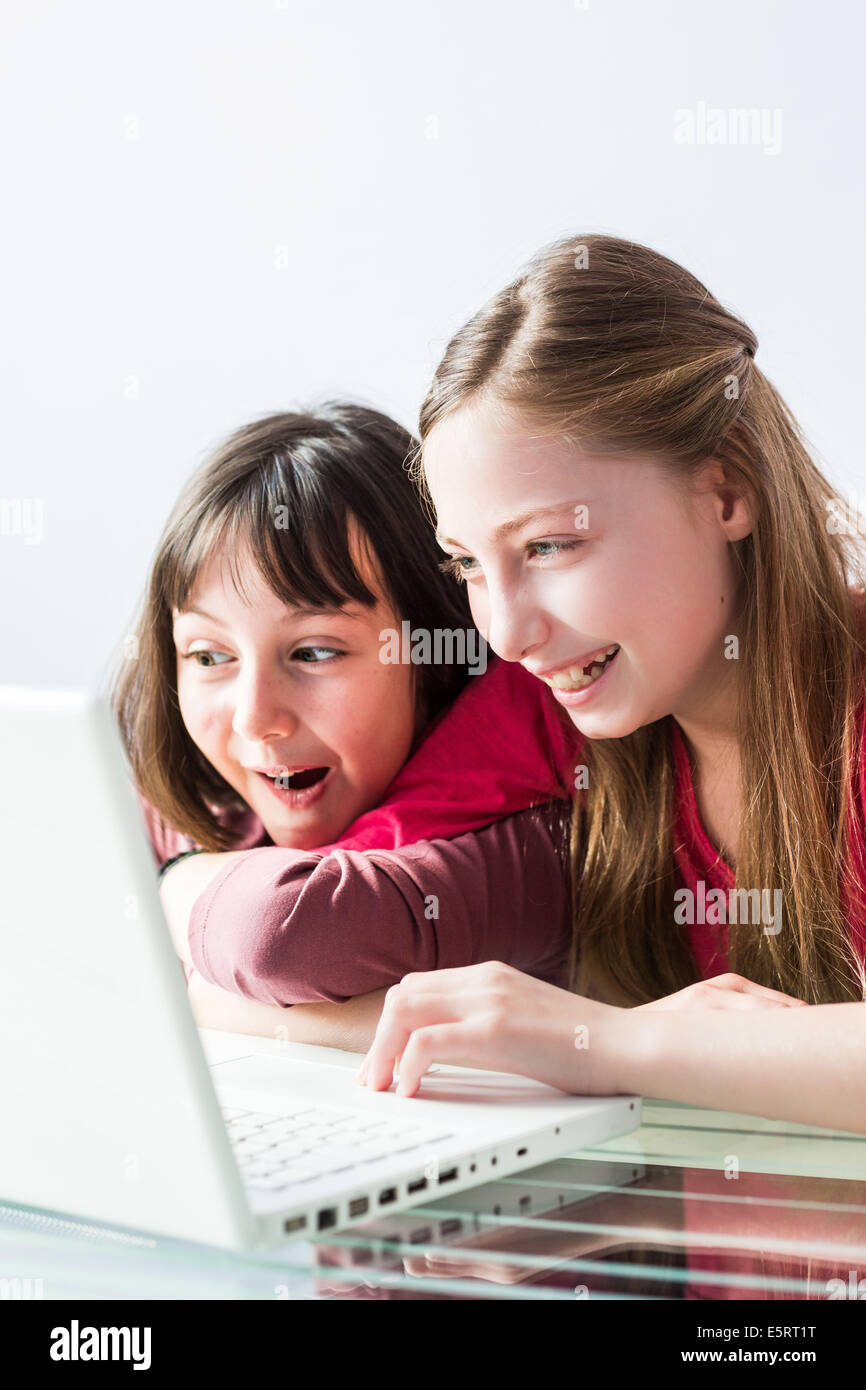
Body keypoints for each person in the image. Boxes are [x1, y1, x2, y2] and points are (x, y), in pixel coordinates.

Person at [358, 234, 866, 1134]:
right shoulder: (564, 700)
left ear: (727, 487)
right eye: (470, 564)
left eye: (551, 545)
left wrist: (611, 1043)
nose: (508, 633)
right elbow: (293, 926)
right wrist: (182, 881)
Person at [110, 403, 579, 1049]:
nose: (256, 718)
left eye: (315, 652)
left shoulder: (519, 839)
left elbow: (274, 933)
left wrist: (173, 887)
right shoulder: (217, 809)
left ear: (437, 653)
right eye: (210, 657)